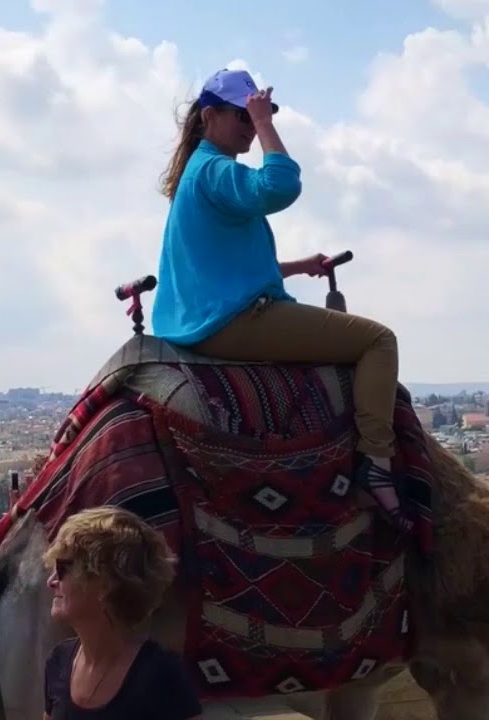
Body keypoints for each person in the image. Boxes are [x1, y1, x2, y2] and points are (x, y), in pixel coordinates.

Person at [151, 67, 406, 526]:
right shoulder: (214, 170)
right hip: (230, 322)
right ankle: (377, 467)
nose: (251, 127)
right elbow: (281, 186)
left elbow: (218, 266)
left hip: (204, 320)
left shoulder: (196, 174)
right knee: (378, 341)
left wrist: (294, 268)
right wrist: (268, 124)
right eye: (243, 117)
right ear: (210, 116)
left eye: (257, 119)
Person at [42, 507, 201, 719]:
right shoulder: (58, 662)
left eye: (63, 570)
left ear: (105, 583)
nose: (51, 582)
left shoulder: (162, 675)